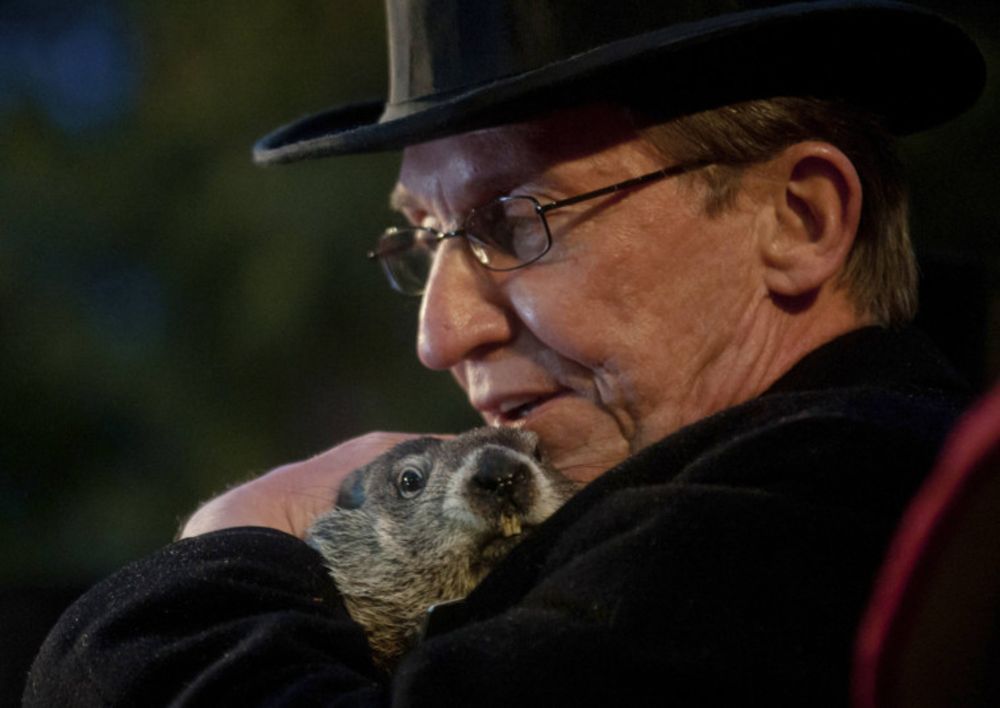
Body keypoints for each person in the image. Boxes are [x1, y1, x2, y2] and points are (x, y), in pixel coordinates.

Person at [25, 1, 987, 706]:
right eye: (424, 238)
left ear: (799, 219)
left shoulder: (814, 504)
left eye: (514, 223)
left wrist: (241, 542)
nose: (441, 335)